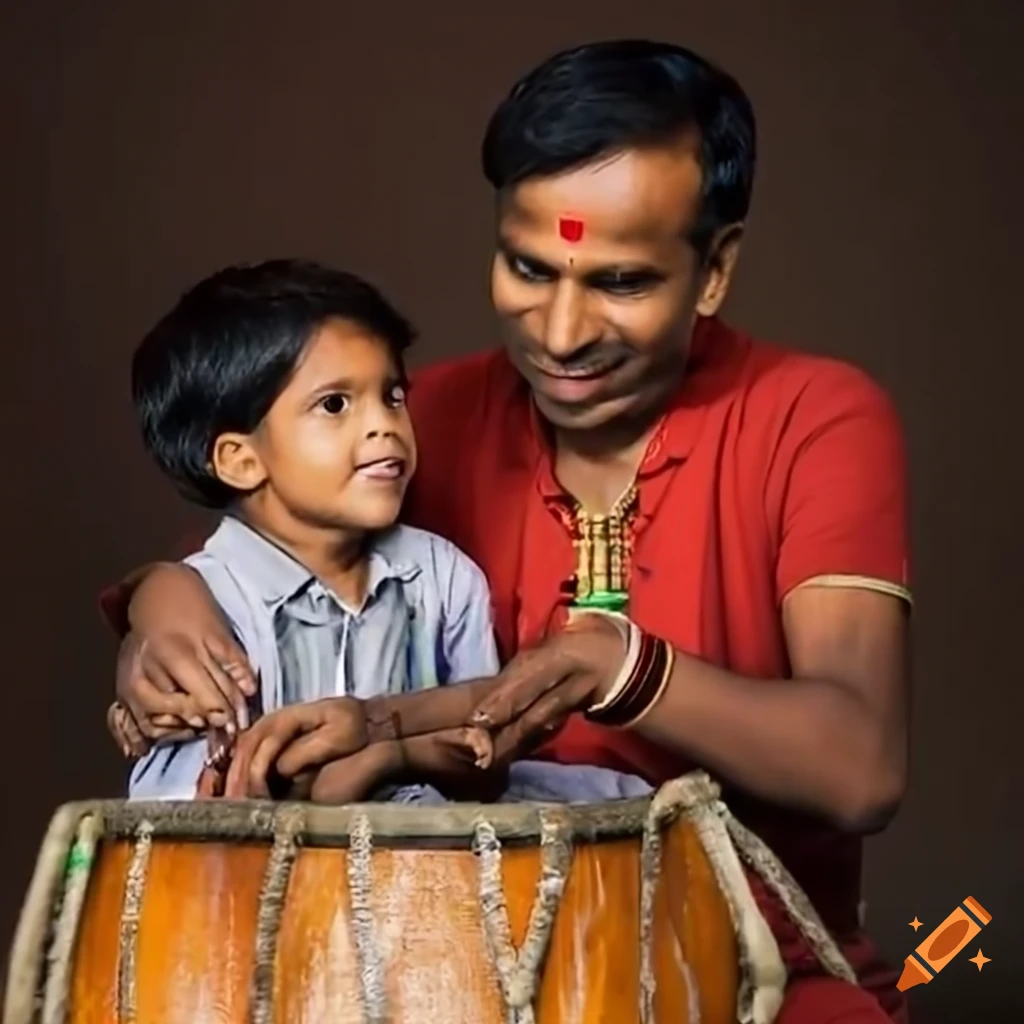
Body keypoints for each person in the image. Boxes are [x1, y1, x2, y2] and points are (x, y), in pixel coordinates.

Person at [103, 39, 911, 1024]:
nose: (559, 333)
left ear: (714, 271)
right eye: (528, 266)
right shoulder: (420, 422)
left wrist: (627, 669)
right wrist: (163, 594)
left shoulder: (811, 417)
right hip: (442, 961)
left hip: (737, 972)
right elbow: (278, 545)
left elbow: (860, 768)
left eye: (619, 282)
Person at [120, 258, 505, 803]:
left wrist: (390, 755)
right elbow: (188, 811)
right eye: (335, 404)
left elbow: (490, 754)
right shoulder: (204, 616)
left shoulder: (445, 577)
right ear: (241, 460)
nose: (384, 424)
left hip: (430, 877)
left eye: (393, 395)